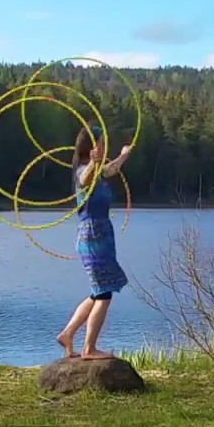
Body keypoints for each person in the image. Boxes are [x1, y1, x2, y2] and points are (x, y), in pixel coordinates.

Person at [56, 127, 132, 360]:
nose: (104, 146)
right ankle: (89, 348)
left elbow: (111, 169)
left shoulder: (98, 171)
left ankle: (68, 334)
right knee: (104, 293)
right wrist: (93, 162)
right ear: (91, 146)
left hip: (102, 235)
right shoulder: (84, 171)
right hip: (93, 236)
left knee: (98, 291)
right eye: (100, 142)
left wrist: (124, 155)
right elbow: (84, 179)